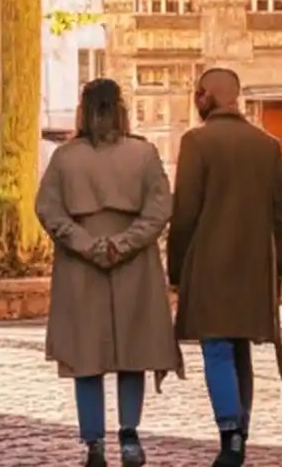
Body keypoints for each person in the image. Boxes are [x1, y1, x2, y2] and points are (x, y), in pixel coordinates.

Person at [36, 78, 183, 467]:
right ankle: (126, 436)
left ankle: (95, 441)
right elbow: (159, 209)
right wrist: (124, 242)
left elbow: (50, 211)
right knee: (129, 351)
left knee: (88, 353)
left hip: (82, 263)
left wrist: (88, 244)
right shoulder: (143, 154)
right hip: (131, 261)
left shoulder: (66, 158)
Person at [168, 67, 282, 467]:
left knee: (218, 348)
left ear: (208, 95)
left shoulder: (197, 142)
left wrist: (175, 271)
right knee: (240, 349)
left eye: (197, 92)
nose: (195, 98)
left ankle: (230, 433)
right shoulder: (267, 144)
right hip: (254, 266)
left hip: (209, 263)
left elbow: (184, 213)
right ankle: (241, 432)